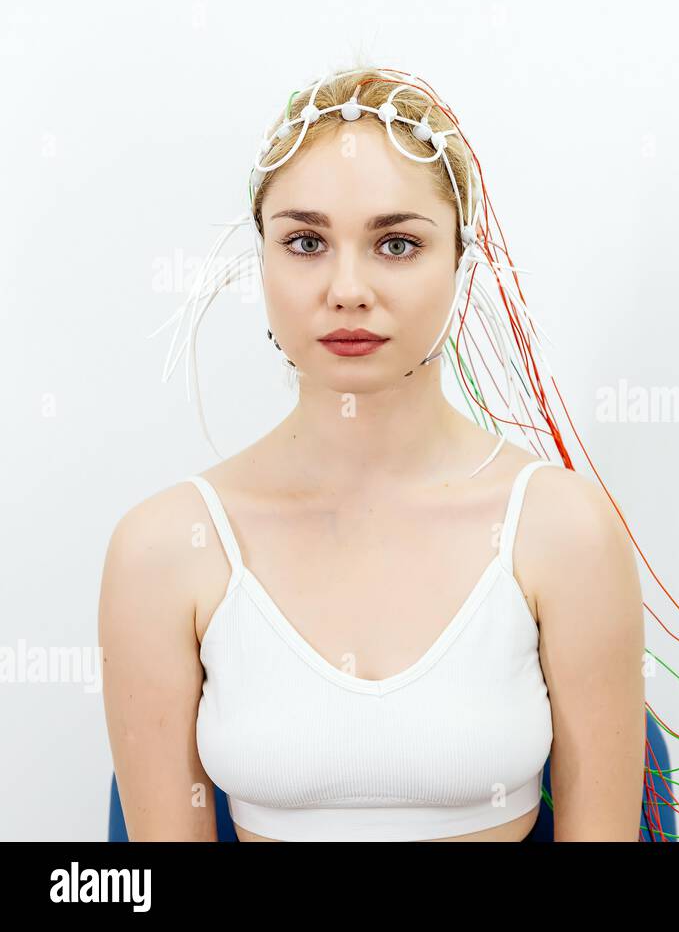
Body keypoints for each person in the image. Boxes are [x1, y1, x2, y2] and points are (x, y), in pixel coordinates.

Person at [98, 66, 647, 841]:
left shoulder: (565, 531)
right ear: (263, 261)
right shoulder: (162, 550)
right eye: (306, 241)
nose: (348, 288)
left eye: (396, 243)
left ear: (459, 263)